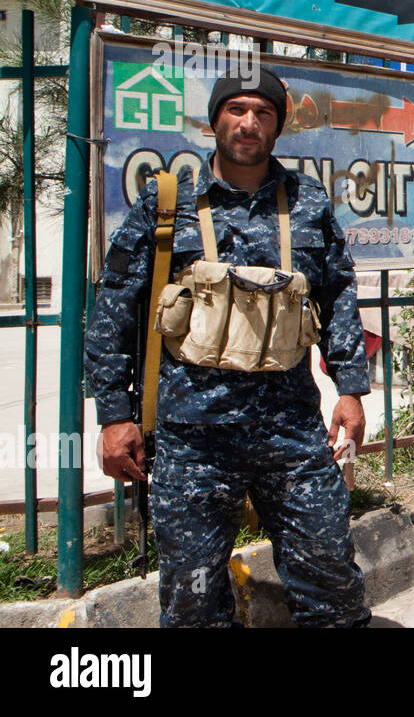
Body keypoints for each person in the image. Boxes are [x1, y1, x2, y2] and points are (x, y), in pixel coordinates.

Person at [86, 66, 372, 628]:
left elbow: (338, 297)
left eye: (262, 113)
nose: (249, 123)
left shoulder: (309, 205)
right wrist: (114, 416)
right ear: (215, 120)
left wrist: (352, 391)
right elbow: (114, 309)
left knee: (332, 583)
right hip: (194, 440)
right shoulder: (166, 205)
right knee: (192, 602)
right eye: (236, 110)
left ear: (278, 126)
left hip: (290, 431)